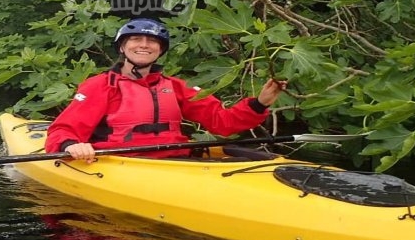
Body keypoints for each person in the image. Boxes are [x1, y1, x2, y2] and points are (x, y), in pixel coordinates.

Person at [45, 17, 287, 162]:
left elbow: (222, 122)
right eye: (136, 40)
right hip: (121, 162)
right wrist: (70, 145)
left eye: (152, 42)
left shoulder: (175, 86)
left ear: (160, 51)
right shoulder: (100, 85)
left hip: (175, 161)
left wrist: (260, 103)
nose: (144, 45)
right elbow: (64, 129)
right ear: (122, 47)